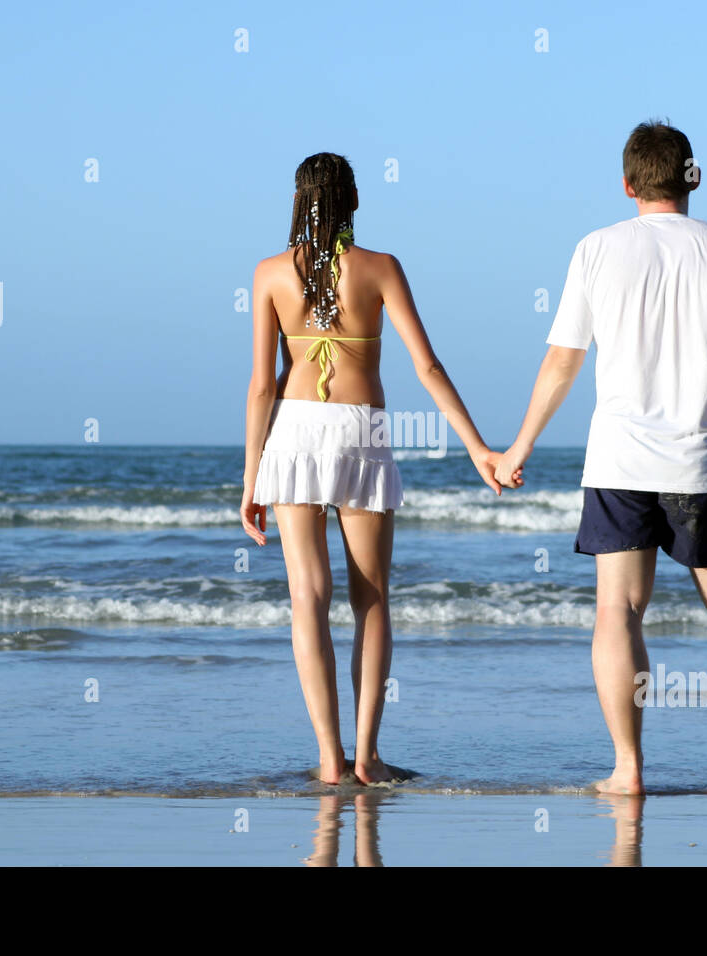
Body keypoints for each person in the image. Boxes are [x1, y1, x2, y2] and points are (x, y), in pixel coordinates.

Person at [494, 121, 707, 794]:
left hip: (619, 464)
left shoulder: (596, 249)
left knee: (618, 611)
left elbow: (562, 361)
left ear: (628, 184)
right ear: (692, 178)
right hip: (704, 461)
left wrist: (519, 446)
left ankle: (627, 771)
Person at [241, 152, 502, 786]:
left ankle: (329, 760)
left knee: (308, 597)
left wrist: (250, 480)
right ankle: (367, 758)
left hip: (296, 434)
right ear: (354, 201)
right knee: (372, 599)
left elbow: (261, 387)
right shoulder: (381, 268)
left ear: (298, 201)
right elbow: (428, 367)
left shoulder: (271, 273)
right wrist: (476, 447)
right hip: (361, 431)